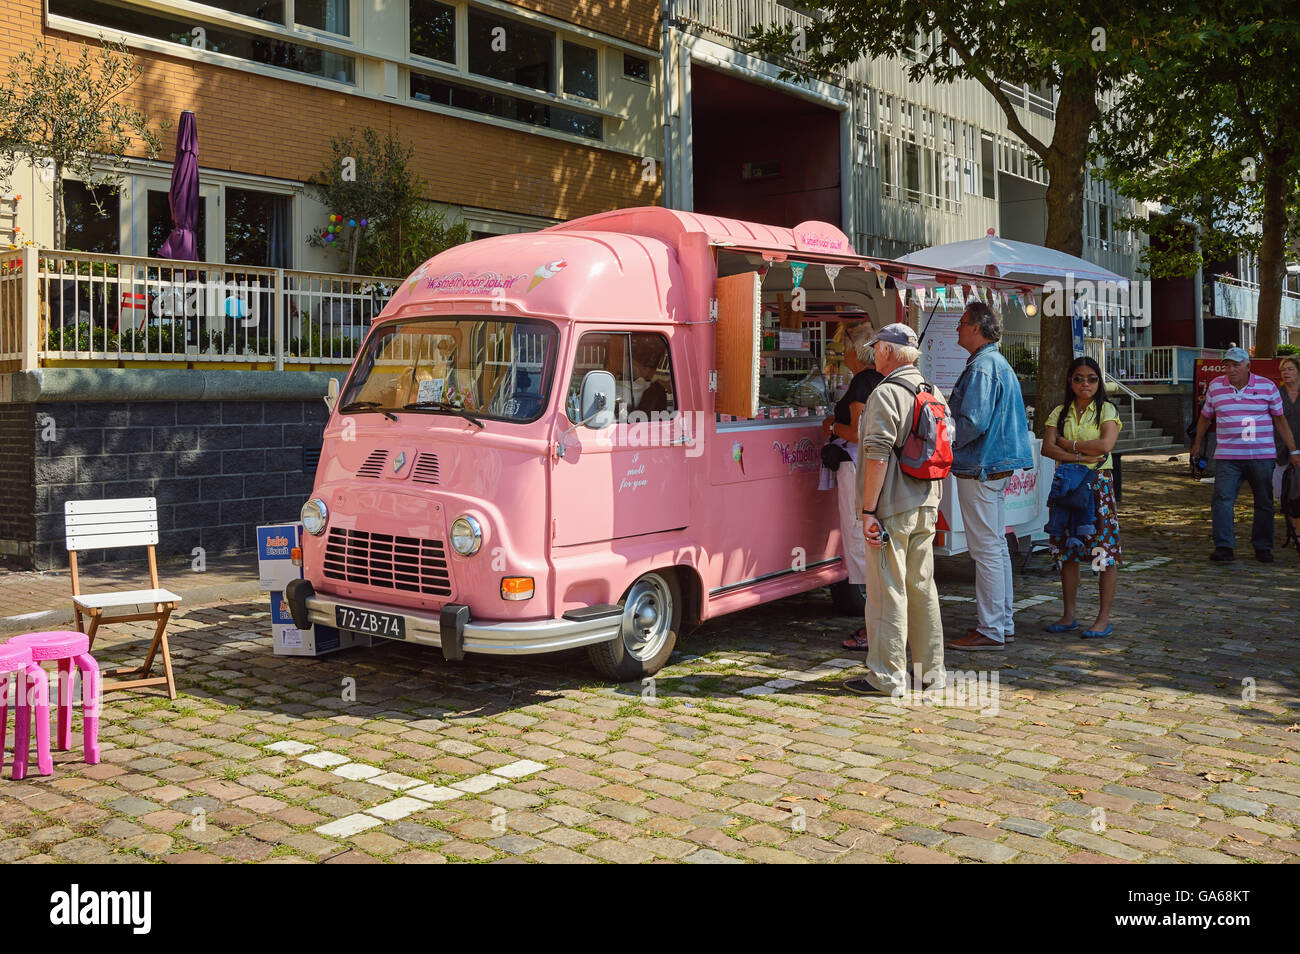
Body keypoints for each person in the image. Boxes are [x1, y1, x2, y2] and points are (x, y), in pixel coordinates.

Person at [844, 323, 947, 696]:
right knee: (922, 588)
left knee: (886, 591)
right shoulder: (932, 389)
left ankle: (886, 677)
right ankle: (930, 673)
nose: (874, 354)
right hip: (926, 501)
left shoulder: (885, 393)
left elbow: (877, 456)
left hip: (891, 506)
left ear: (888, 351)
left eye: (877, 348)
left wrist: (868, 510)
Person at [944, 302, 1034, 651]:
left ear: (976, 327)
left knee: (986, 551)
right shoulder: (992, 363)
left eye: (961, 322)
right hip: (991, 465)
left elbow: (972, 422)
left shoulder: (983, 367)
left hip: (981, 466)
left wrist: (942, 437)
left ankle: (992, 627)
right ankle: (1000, 623)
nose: (957, 328)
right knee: (994, 548)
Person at [1191, 347, 1300, 563]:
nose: (1231, 370)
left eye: (1236, 365)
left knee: (1264, 501)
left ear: (1248, 366)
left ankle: (1263, 547)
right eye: (1227, 365)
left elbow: (1280, 420)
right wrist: (1197, 443)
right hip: (1228, 456)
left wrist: (1293, 450)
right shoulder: (1216, 387)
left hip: (1261, 455)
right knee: (1222, 499)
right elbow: (1205, 416)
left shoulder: (1267, 387)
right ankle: (1224, 546)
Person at [1040, 357, 1122, 638]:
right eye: (1078, 378)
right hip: (1067, 485)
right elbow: (1047, 448)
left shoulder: (1106, 410)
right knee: (1067, 551)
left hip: (1097, 485)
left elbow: (1105, 445)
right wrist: (1080, 455)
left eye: (1091, 378)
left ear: (1099, 382)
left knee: (1101, 551)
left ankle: (1102, 618)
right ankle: (1069, 615)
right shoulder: (1060, 412)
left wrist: (1070, 445)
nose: (1085, 383)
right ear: (1070, 381)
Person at [821, 323, 885, 650]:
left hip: (856, 467)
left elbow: (858, 433)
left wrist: (833, 426)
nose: (842, 354)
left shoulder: (862, 382)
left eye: (845, 348)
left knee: (859, 537)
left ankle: (873, 623)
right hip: (873, 466)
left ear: (856, 351)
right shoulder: (881, 379)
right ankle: (877, 620)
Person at [1274, 355, 1300, 546]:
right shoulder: (1276, 394)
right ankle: (1291, 530)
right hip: (1279, 450)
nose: (1286, 373)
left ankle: (1298, 532)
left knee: (1299, 492)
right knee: (1282, 493)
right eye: (1283, 370)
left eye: (1290, 369)